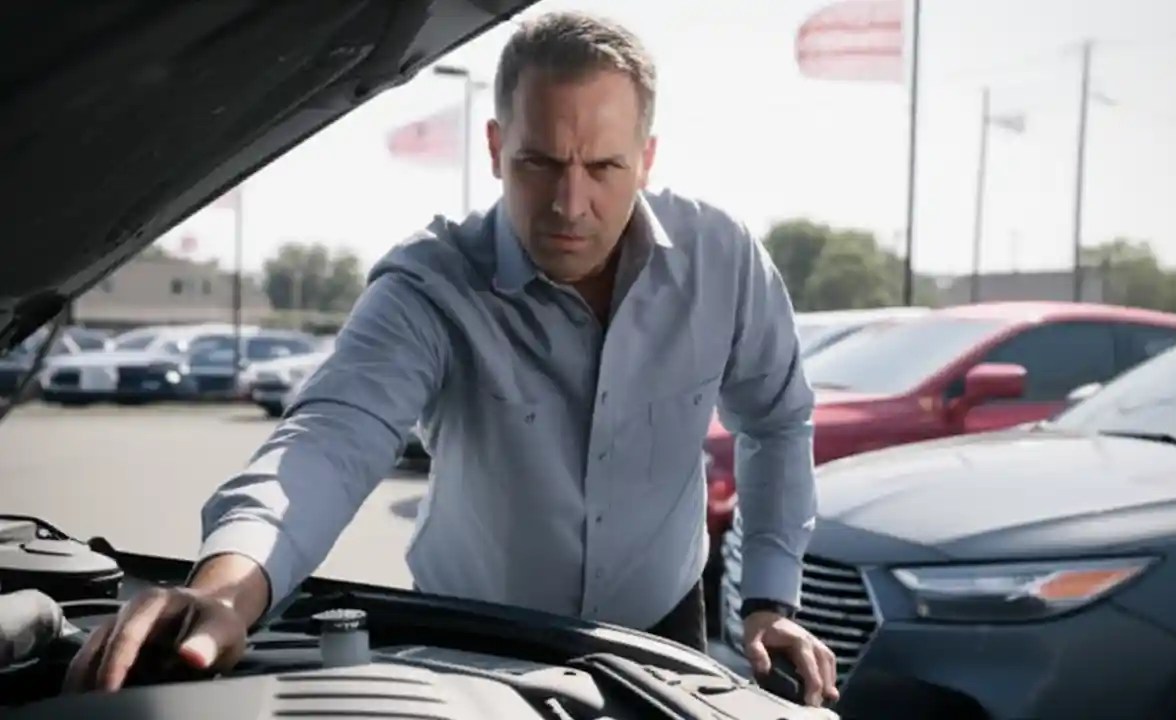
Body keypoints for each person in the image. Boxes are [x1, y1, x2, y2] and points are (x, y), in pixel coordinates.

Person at [63, 10, 839, 707]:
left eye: (603, 167)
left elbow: (776, 420)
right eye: (540, 162)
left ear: (647, 158)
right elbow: (332, 435)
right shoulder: (431, 284)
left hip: (663, 631)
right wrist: (230, 588)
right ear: (497, 147)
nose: (571, 204)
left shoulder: (723, 262)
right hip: (470, 643)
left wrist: (770, 601)